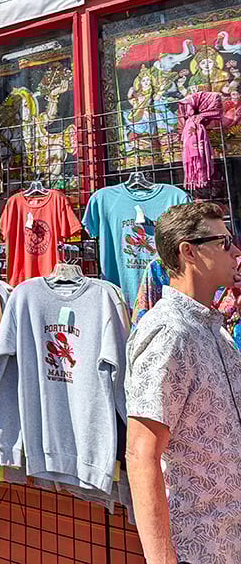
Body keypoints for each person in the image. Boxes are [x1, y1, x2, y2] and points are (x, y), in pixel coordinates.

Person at [125, 201, 241, 564]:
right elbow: (141, 453)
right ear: (188, 251)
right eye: (224, 242)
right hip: (197, 548)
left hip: (227, 540)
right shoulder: (169, 333)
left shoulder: (213, 330)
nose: (235, 250)